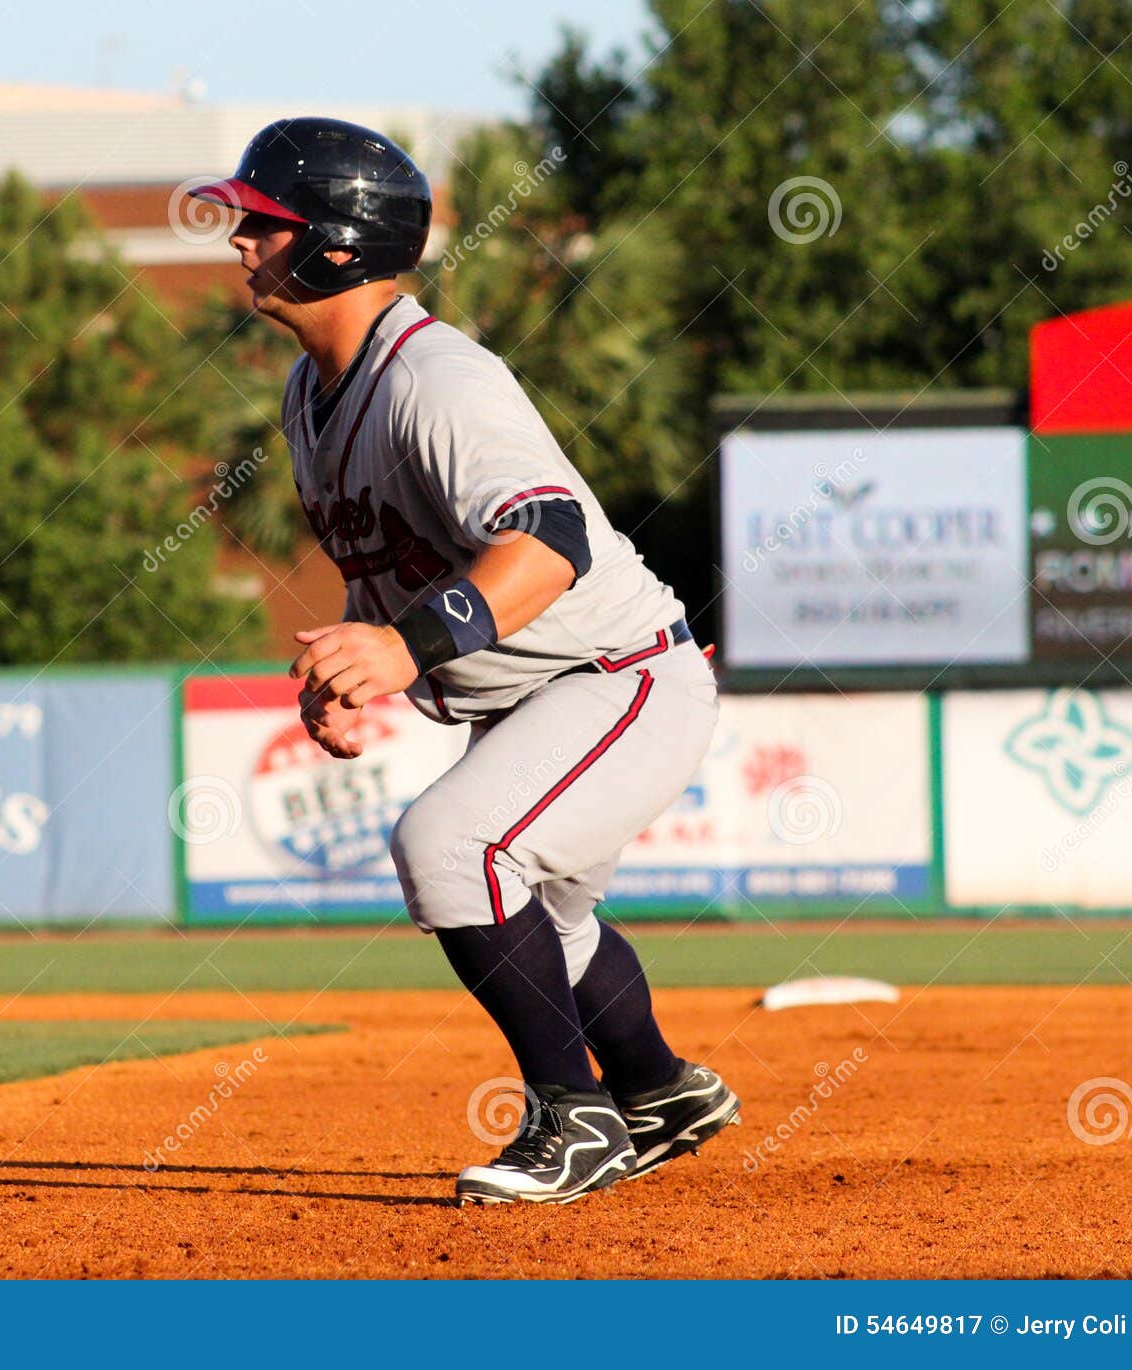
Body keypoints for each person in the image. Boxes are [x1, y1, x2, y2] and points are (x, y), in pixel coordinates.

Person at [189, 118, 739, 1205]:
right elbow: (389, 558)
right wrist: (353, 664)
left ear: (334, 245)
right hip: (540, 696)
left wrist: (401, 645)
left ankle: (569, 1117)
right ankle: (656, 1087)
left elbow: (548, 542)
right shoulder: (313, 393)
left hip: (619, 676)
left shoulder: (434, 378)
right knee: (552, 924)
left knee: (449, 845)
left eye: (262, 221)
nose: (240, 241)